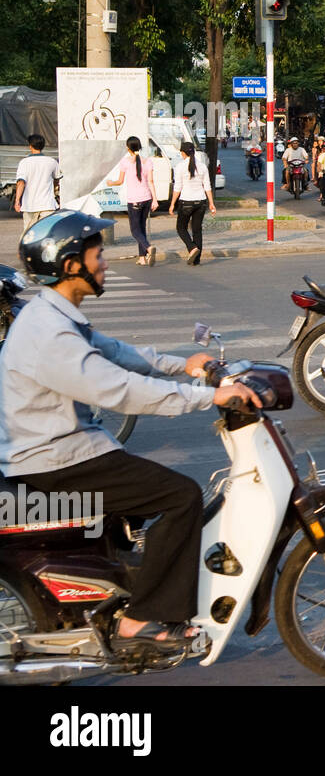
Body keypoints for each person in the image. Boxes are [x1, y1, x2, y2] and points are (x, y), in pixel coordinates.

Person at [0, 211, 262, 650]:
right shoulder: (50, 333)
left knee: (143, 502)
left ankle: (125, 589)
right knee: (180, 496)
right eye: (98, 254)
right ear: (70, 266)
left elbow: (117, 353)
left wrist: (186, 365)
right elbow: (121, 391)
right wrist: (208, 398)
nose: (105, 262)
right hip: (54, 461)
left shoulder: (52, 314)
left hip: (63, 449)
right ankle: (141, 619)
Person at [105, 136, 158, 266]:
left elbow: (120, 181)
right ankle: (142, 258)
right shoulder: (148, 161)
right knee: (141, 228)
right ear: (140, 147)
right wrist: (155, 200)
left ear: (128, 148)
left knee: (135, 230)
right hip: (147, 198)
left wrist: (111, 183)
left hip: (134, 200)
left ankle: (148, 247)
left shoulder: (125, 162)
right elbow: (151, 181)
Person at [168, 142, 215, 265]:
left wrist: (172, 203)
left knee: (181, 228)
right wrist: (211, 203)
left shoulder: (179, 167)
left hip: (186, 202)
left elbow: (177, 188)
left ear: (183, 153)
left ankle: (191, 247)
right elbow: (207, 186)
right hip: (201, 202)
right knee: (197, 230)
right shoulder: (203, 166)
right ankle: (197, 259)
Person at [13, 133, 61, 233]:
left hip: (29, 205)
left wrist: (17, 201)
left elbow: (21, 182)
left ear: (30, 146)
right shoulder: (51, 162)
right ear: (42, 146)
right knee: (47, 234)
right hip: (47, 205)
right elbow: (57, 179)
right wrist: (54, 187)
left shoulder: (24, 162)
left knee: (29, 235)